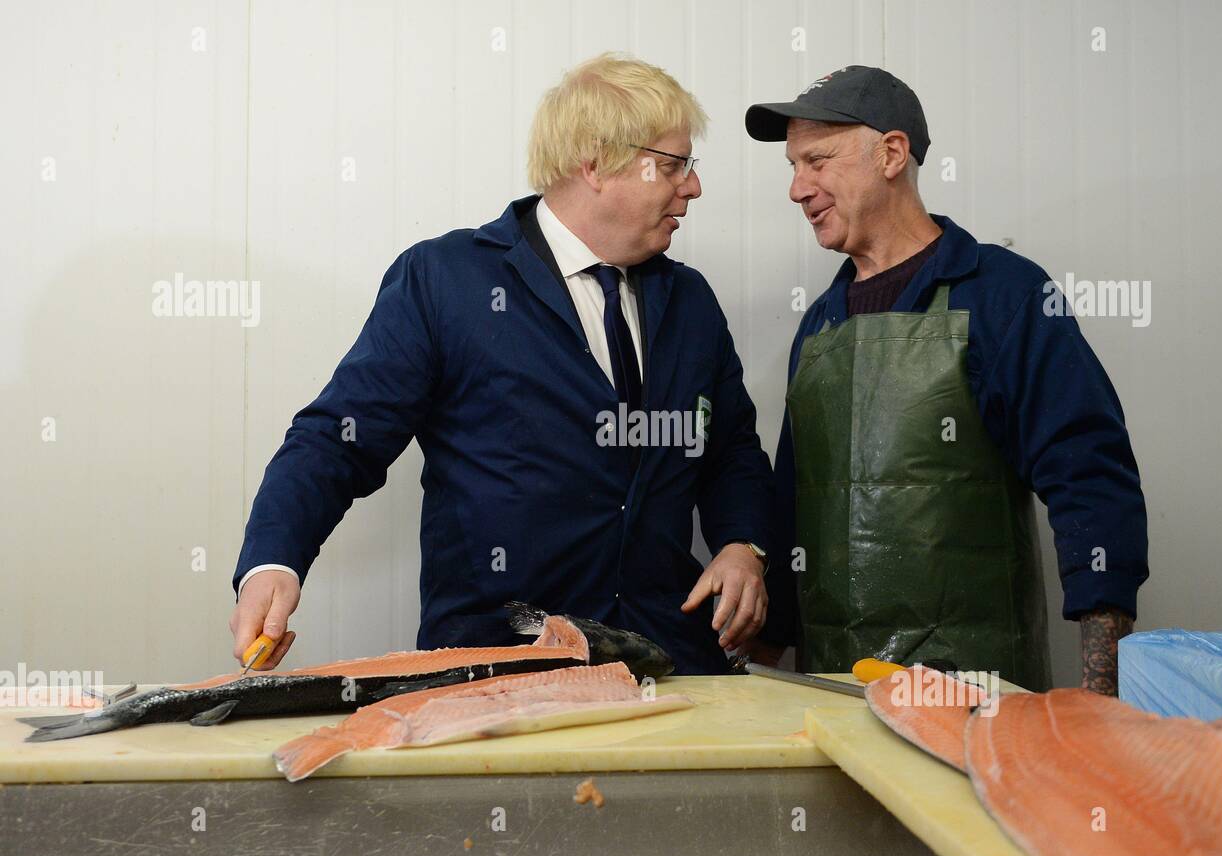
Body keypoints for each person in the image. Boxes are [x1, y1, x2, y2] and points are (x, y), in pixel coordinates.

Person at [229, 53, 773, 676]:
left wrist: (743, 544)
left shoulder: (691, 301)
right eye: (674, 166)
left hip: (671, 671)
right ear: (595, 164)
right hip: (496, 673)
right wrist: (273, 560)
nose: (693, 186)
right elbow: (337, 439)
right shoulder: (445, 281)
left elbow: (731, 449)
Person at [746, 66, 1148, 693]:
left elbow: (1089, 475)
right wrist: (757, 678)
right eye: (793, 167)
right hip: (832, 697)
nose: (798, 188)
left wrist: (1103, 691)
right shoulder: (819, 327)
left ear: (891, 154)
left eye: (817, 161)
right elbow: (792, 502)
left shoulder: (1004, 294)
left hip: (978, 701)